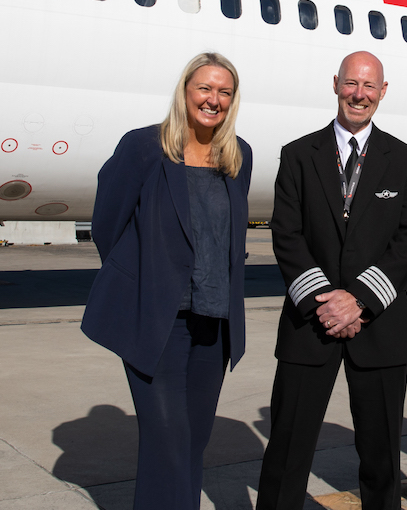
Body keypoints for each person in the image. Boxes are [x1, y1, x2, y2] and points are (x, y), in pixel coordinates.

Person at [82, 52, 253, 510]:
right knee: (168, 442)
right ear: (185, 91)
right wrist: (141, 280)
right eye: (204, 88)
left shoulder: (238, 156)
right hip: (157, 322)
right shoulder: (144, 147)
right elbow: (107, 224)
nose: (212, 99)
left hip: (213, 324)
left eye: (224, 92)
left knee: (192, 443)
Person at [256, 51, 407, 510]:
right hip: (310, 325)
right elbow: (286, 235)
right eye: (352, 83)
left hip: (380, 326)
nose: (359, 94)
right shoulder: (297, 155)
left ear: (383, 92)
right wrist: (325, 303)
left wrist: (360, 301)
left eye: (369, 86)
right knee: (287, 450)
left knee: (381, 457)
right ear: (336, 84)